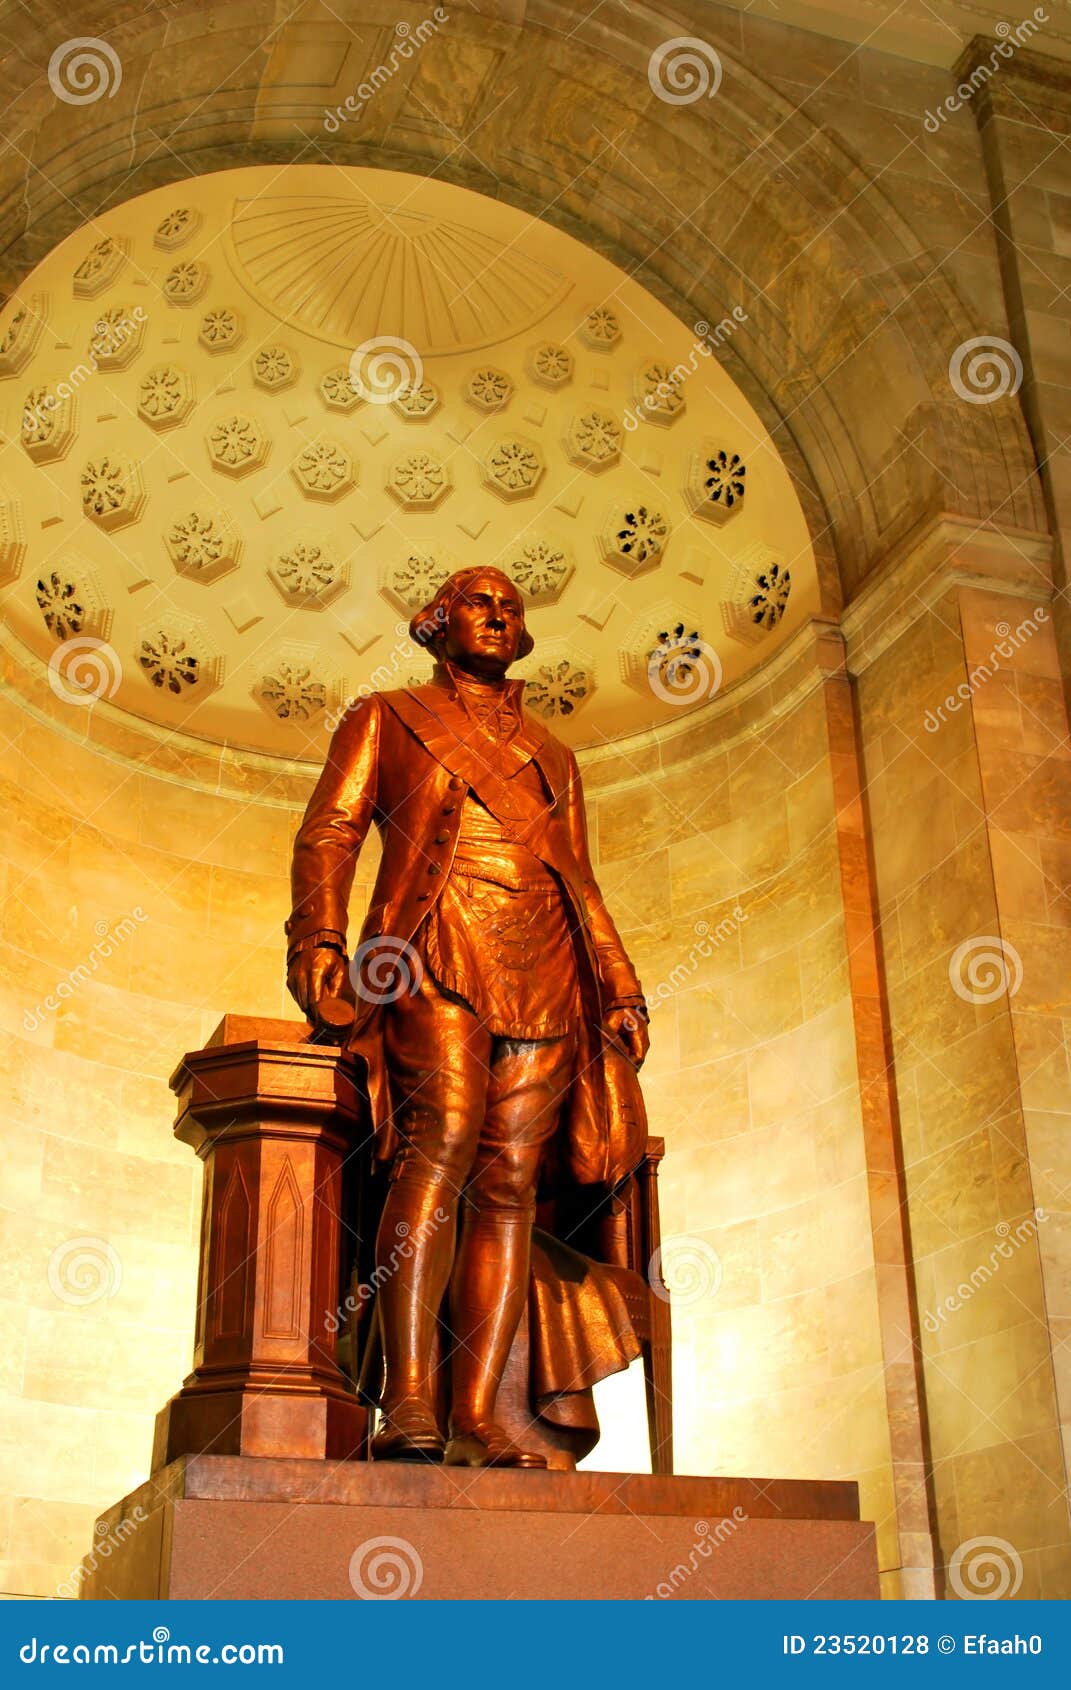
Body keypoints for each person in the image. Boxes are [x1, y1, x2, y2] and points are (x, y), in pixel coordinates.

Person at [286, 567, 650, 1467]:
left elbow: (578, 875)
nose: (498, 615)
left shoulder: (554, 754)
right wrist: (317, 939)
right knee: (436, 1148)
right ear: (436, 623)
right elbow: (330, 829)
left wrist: (619, 977)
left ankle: (478, 1415)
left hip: (549, 967)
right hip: (428, 947)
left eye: (511, 607)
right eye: (478, 602)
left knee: (510, 1186)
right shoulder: (388, 715)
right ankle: (408, 1401)